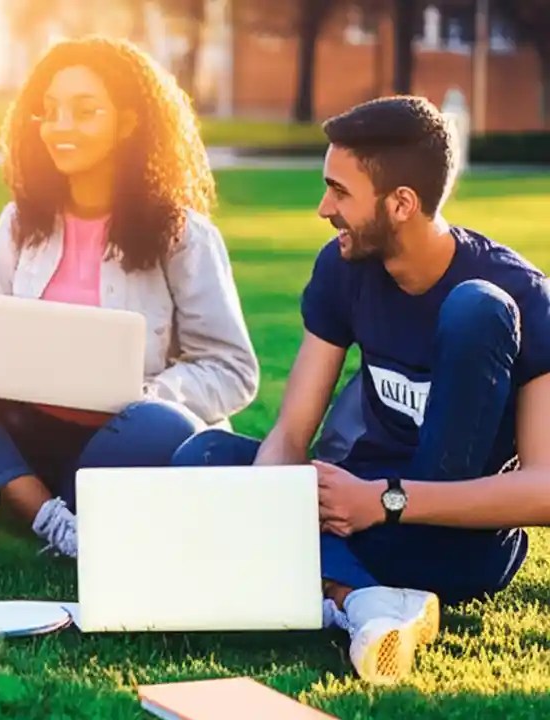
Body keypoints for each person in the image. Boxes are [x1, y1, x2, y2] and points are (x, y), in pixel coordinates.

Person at [172, 95, 550, 684]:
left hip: (456, 534)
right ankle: (366, 600)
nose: (324, 208)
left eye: (339, 192)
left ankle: (325, 584)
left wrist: (385, 501)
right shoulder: (344, 268)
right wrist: (269, 503)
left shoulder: (522, 294)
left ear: (401, 204)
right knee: (203, 458)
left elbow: (544, 490)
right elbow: (292, 433)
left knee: (477, 308)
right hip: (357, 512)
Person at [0, 37, 258, 557]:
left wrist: (148, 393)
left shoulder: (182, 234)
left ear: (128, 123)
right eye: (50, 112)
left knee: (160, 423)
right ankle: (48, 514)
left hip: (123, 437)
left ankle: (37, 503)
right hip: (25, 432)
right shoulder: (20, 221)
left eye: (84, 112)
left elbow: (233, 370)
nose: (61, 127)